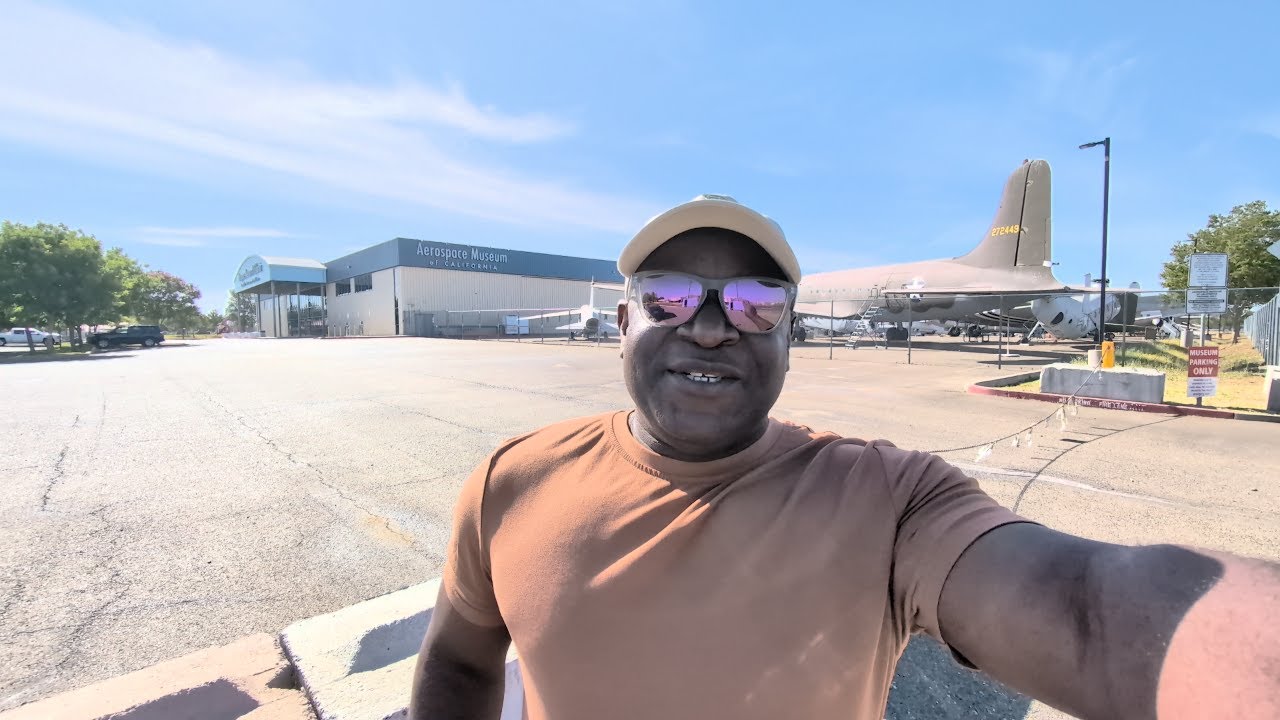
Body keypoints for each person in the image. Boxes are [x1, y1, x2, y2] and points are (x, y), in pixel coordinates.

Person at [410, 195, 1279, 720]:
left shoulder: (891, 501)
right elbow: (457, 660)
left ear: (794, 333)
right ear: (625, 320)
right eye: (668, 296)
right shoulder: (510, 480)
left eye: (756, 302)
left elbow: (1087, 610)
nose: (709, 325)